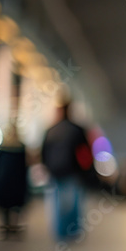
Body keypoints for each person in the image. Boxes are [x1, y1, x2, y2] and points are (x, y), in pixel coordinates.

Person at [41, 98, 92, 240]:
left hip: (55, 172)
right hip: (73, 172)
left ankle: (60, 232)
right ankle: (73, 231)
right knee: (73, 202)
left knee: (57, 203)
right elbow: (85, 152)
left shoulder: (51, 130)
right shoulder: (77, 130)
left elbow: (43, 152)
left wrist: (47, 167)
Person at [0, 120, 30, 239]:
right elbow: (25, 167)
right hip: (16, 182)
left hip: (5, 182)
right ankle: (12, 226)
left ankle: (7, 226)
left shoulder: (1, 149)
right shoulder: (20, 148)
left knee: (6, 206)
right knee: (15, 206)